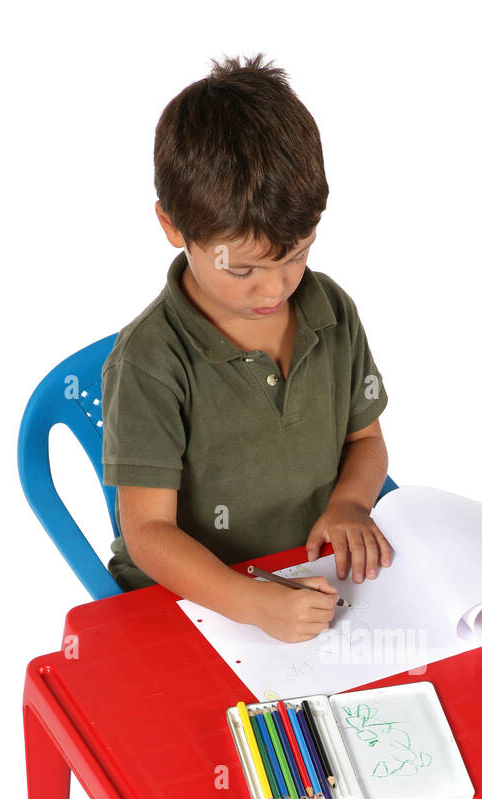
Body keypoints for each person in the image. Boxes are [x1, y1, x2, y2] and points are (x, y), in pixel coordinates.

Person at [101, 53, 392, 643]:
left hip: (309, 579)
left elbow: (366, 441)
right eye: (245, 271)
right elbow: (149, 532)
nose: (277, 288)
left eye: (296, 254)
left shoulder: (331, 310)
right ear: (173, 228)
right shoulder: (149, 362)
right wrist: (250, 603)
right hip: (189, 598)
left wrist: (350, 505)